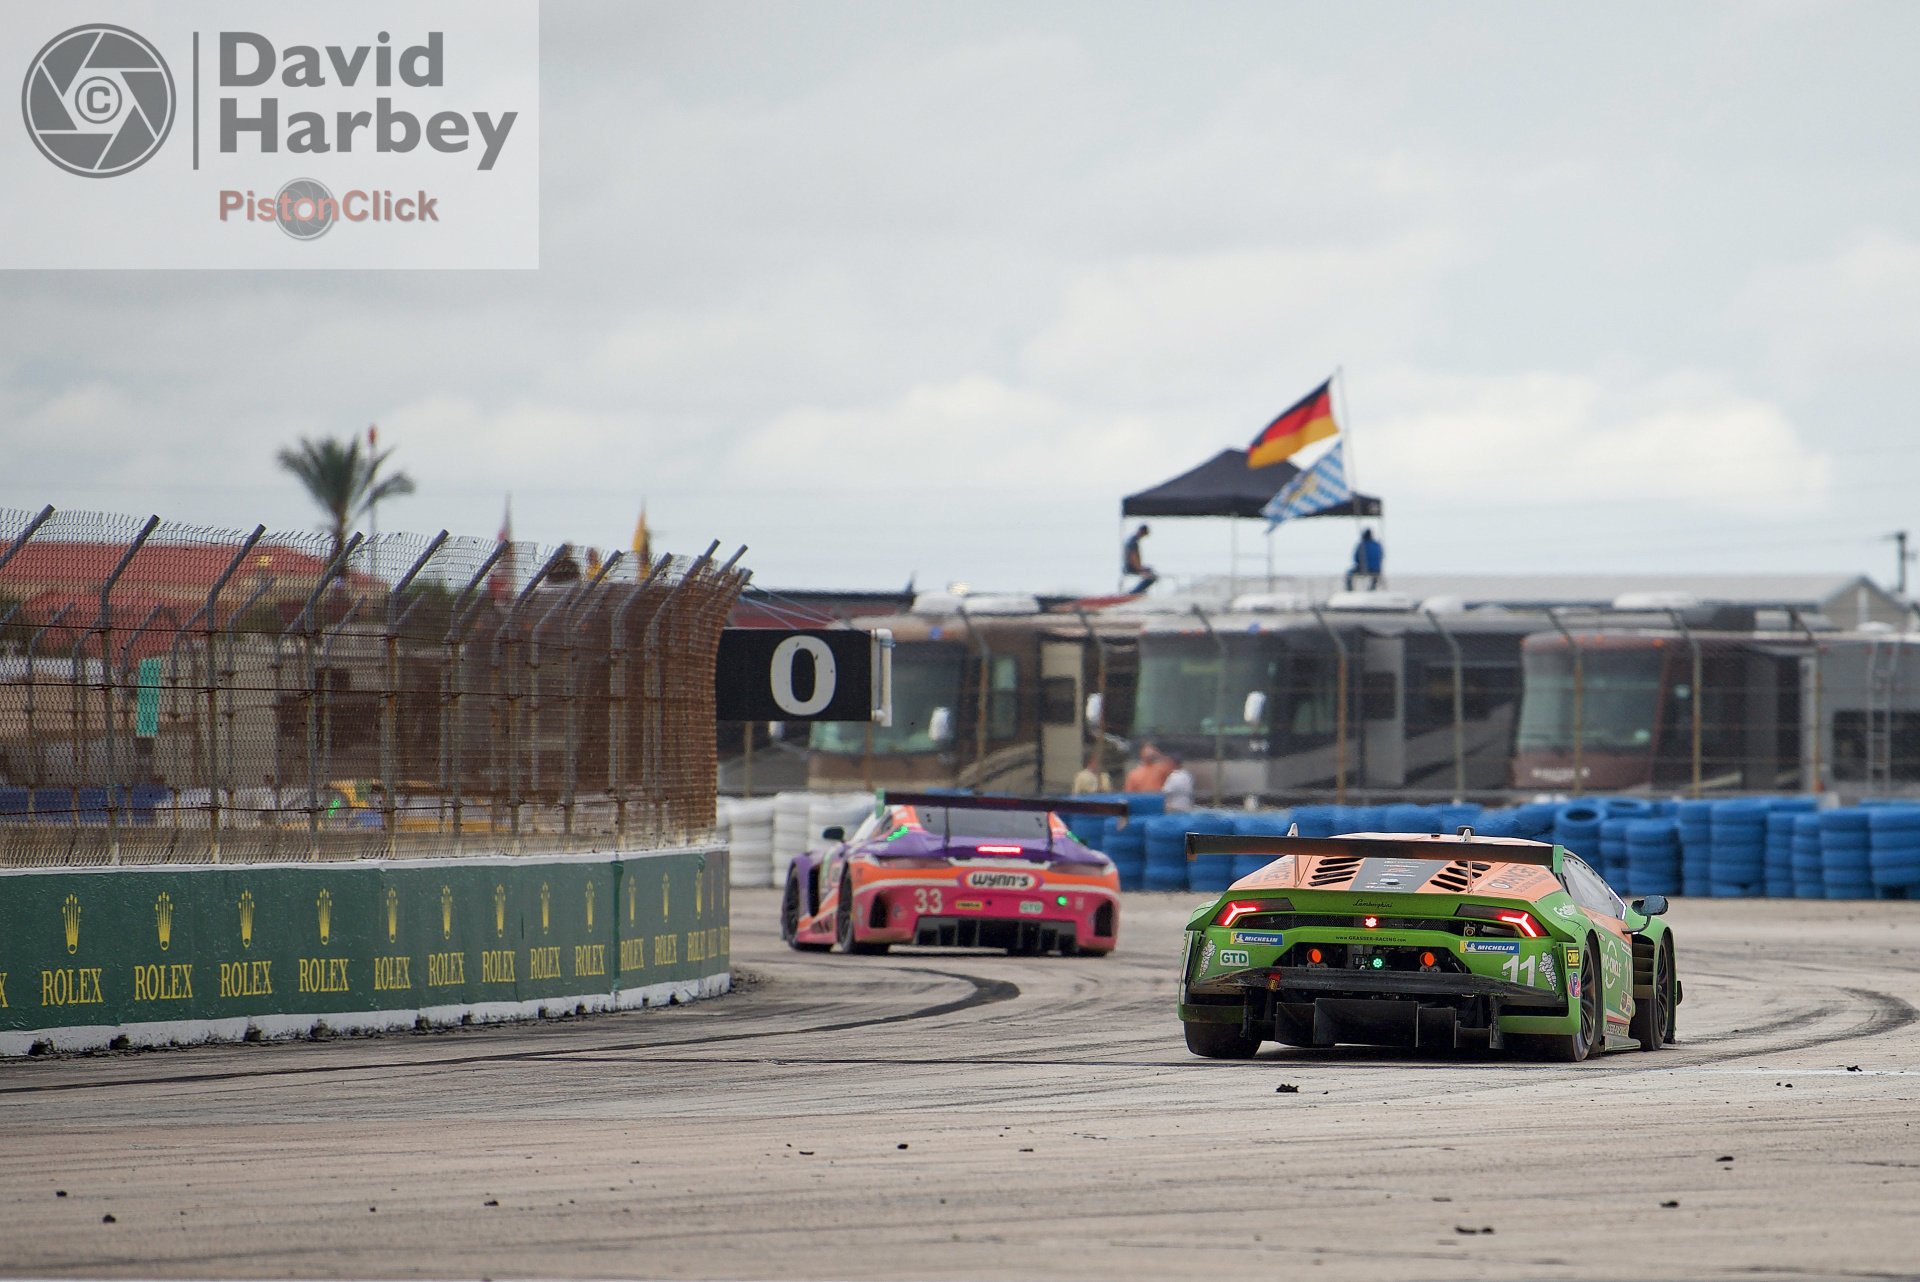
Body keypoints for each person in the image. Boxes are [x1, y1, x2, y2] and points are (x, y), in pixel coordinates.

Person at [1123, 524, 1158, 594]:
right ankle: (1134, 592)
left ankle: (1138, 591)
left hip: (1132, 566)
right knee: (1151, 577)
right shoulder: (1133, 541)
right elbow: (1133, 556)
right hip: (1131, 567)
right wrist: (1140, 569)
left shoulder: (1132, 540)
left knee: (1150, 571)